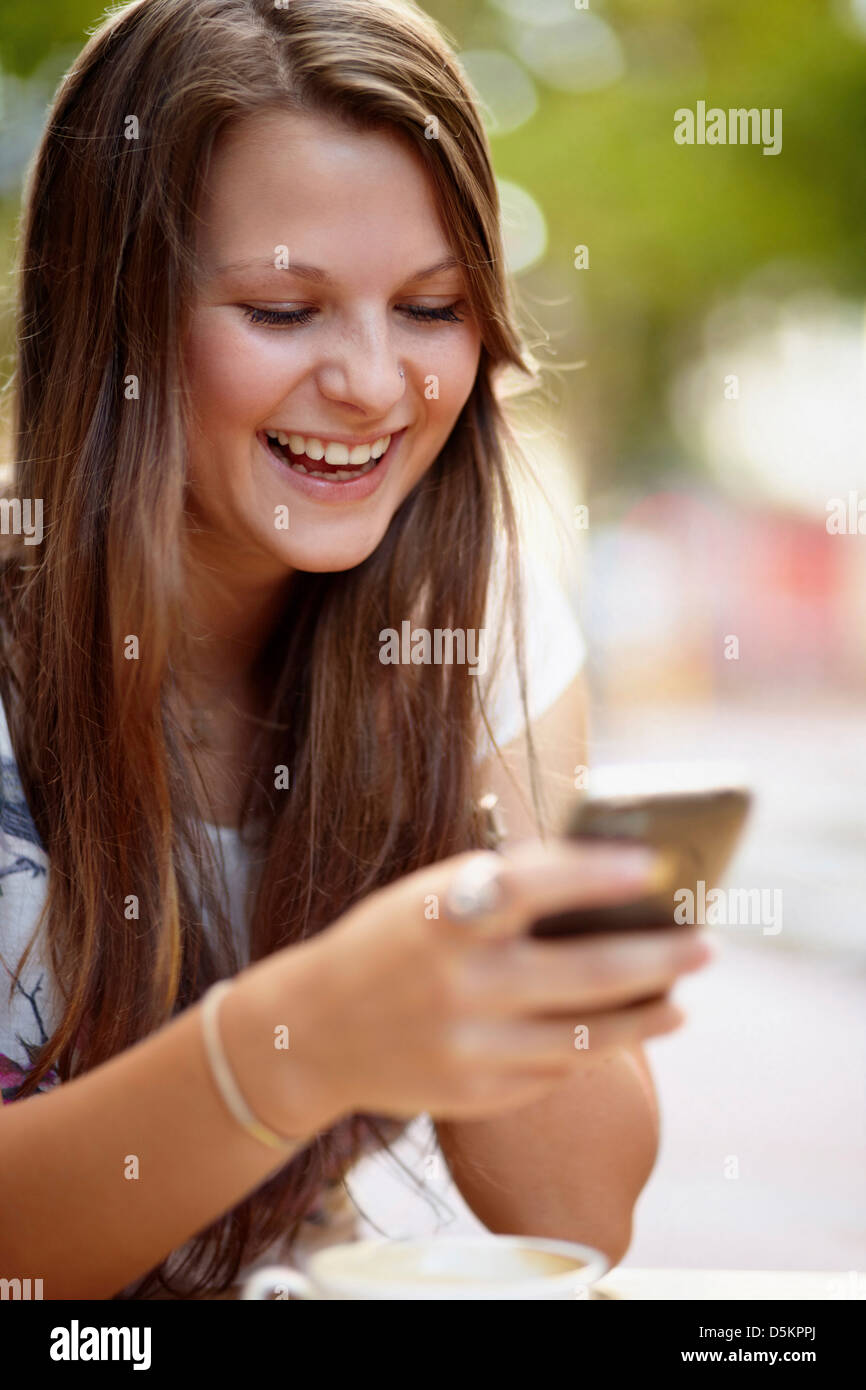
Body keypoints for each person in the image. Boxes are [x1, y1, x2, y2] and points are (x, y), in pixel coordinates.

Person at [0, 0, 712, 1300]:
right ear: (110, 321)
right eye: (283, 309)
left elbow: (576, 1218)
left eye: (432, 306)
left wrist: (511, 916)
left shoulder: (481, 627)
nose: (377, 384)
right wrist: (302, 1043)